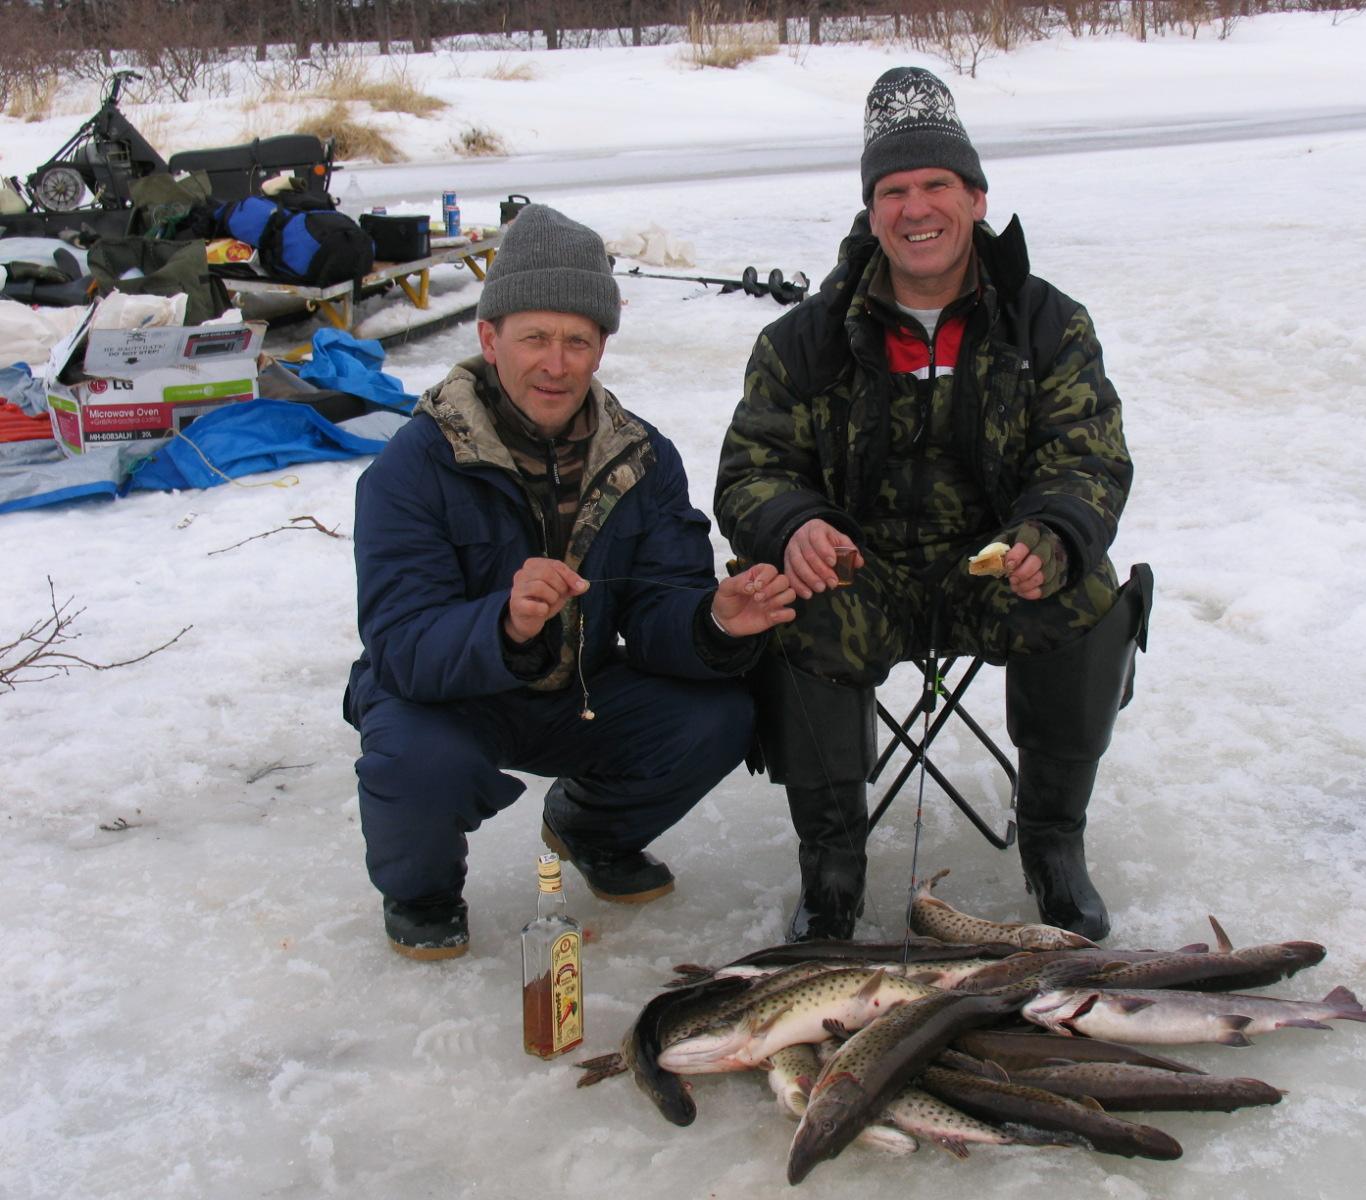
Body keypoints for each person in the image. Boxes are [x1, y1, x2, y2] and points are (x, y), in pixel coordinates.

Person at [715, 67, 1151, 944]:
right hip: (858, 577)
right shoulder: (802, 337)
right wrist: (794, 525)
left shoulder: (1047, 323)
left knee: (1092, 592)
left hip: (996, 573)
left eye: (936, 186)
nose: (917, 209)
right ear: (872, 213)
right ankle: (830, 866)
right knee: (785, 598)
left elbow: (1088, 456)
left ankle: (1054, 841)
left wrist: (1050, 536)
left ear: (977, 199)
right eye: (894, 191)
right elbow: (750, 467)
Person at [346, 204, 795, 960]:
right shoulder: (410, 469)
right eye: (534, 338)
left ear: (601, 347)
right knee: (414, 759)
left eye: (576, 341)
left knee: (719, 713)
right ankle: (420, 894)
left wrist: (712, 620)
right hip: (450, 696)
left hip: (579, 693)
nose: (555, 363)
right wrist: (504, 623)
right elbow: (399, 646)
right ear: (489, 340)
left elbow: (659, 608)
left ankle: (591, 827)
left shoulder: (642, 456)